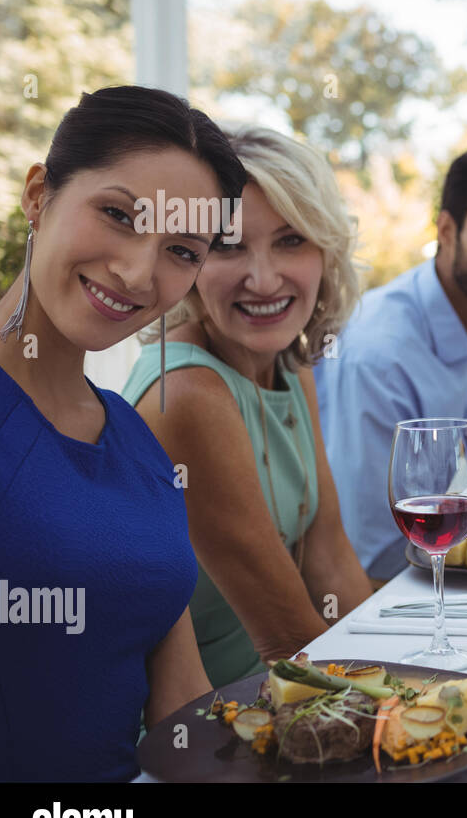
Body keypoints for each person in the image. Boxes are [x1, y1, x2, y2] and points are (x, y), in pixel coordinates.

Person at [0, 85, 246, 780]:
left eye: (182, 251)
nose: (138, 272)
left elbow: (185, 709)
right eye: (119, 215)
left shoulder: (134, 440)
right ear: (39, 194)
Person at [121, 125, 374, 688]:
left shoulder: (288, 364)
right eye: (228, 246)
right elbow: (289, 642)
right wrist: (409, 705)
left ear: (325, 254)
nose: (263, 280)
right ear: (187, 261)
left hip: (286, 693)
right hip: (211, 728)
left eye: (290, 240)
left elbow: (329, 558)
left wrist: (402, 663)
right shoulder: (186, 394)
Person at [315, 143, 467, 581]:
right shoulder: (378, 354)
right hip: (379, 597)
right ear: (447, 230)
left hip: (456, 572)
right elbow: (369, 551)